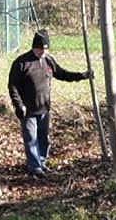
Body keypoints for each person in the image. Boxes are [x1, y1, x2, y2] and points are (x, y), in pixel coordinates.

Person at [8, 29, 92, 178]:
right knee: (31, 139)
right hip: (28, 110)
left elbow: (63, 74)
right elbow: (12, 86)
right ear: (34, 47)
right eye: (41, 49)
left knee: (43, 137)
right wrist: (19, 105)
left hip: (44, 108)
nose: (43, 52)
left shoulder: (48, 61)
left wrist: (83, 75)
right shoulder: (21, 63)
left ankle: (42, 162)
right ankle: (34, 167)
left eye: (46, 49)